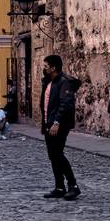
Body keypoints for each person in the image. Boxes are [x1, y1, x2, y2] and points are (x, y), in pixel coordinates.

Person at [39, 54, 80, 200]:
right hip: (48, 124)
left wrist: (56, 123)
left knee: (58, 154)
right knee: (53, 156)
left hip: (59, 125)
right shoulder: (49, 82)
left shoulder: (64, 82)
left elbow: (65, 104)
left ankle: (73, 186)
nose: (43, 69)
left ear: (53, 68)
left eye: (46, 66)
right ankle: (59, 186)